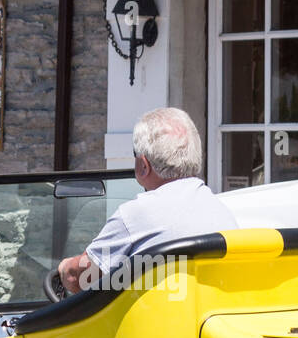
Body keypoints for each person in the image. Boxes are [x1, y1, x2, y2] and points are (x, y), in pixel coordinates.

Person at [57, 107, 238, 294]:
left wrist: (63, 268)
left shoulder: (137, 214)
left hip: (157, 321)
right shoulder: (219, 208)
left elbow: (79, 277)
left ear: (143, 165)